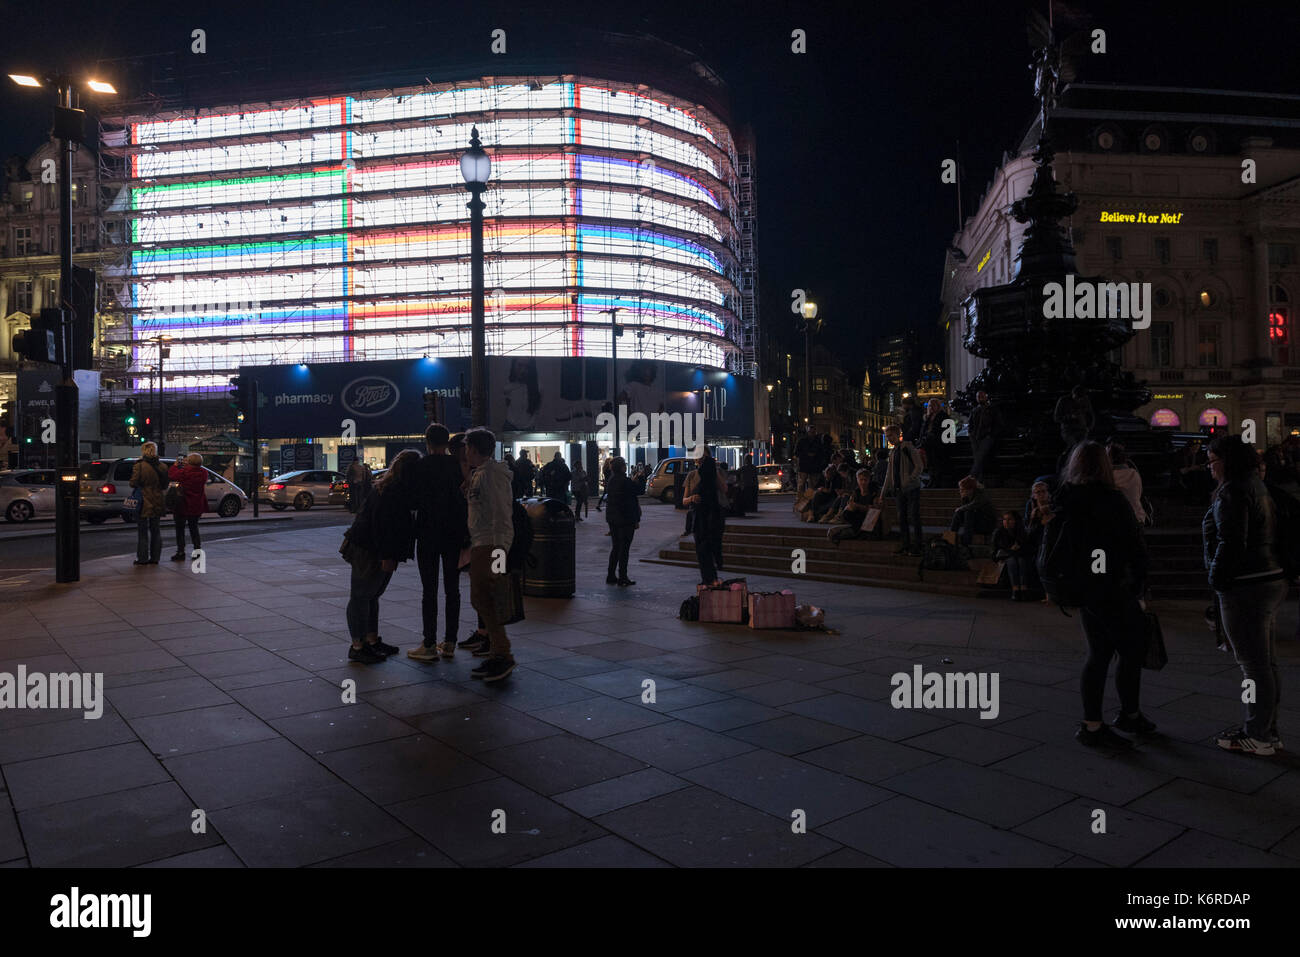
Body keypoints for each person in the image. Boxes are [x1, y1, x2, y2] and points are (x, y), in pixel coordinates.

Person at [1052, 442, 1151, 750]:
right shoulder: (1112, 500)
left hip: (1084, 588)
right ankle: (1126, 714)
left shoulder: (1066, 498)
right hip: (1112, 587)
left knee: (1098, 655)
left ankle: (1093, 723)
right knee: (1131, 651)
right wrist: (1138, 582)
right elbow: (1134, 546)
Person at [1203, 434, 1288, 755]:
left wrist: (1217, 578)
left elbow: (1231, 541)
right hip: (1268, 578)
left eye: (1213, 461)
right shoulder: (1256, 485)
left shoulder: (1232, 492)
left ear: (1228, 461)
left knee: (1252, 666)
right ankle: (1268, 730)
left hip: (1245, 583)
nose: (1209, 467)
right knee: (1266, 662)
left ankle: (1256, 733)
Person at [343, 450, 419, 664]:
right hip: (368, 550)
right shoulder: (392, 491)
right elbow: (382, 526)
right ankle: (358, 645)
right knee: (361, 596)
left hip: (371, 547)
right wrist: (387, 555)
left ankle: (370, 640)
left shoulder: (392, 488)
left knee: (370, 595)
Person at [408, 424, 470, 663]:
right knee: (452, 589)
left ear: (428, 442)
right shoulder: (457, 466)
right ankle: (451, 641)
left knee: (429, 590)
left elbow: (412, 500)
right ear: (447, 443)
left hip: (427, 533)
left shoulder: (419, 467)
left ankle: (429, 643)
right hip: (453, 533)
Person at [464, 428, 517, 682]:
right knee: (482, 598)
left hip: (492, 545)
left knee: (487, 597)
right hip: (483, 543)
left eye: (467, 448)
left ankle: (503, 655)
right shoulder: (481, 474)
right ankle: (498, 651)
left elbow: (498, 512)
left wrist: (498, 551)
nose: (465, 453)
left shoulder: (491, 475)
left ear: (474, 449)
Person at [877, 424, 924, 556]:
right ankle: (906, 544)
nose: (889, 439)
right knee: (902, 518)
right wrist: (882, 494)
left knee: (914, 517)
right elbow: (888, 474)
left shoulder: (907, 448)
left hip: (911, 488)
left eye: (891, 435)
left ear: (898, 435)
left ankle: (918, 545)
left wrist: (909, 479)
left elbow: (919, 466)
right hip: (899, 490)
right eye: (887, 437)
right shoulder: (892, 452)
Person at [684, 449, 727, 585]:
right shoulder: (691, 475)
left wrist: (714, 470)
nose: (701, 459)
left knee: (710, 547)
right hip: (698, 516)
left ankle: (712, 576)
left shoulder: (714, 472)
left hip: (712, 515)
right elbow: (683, 500)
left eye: (704, 456)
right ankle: (708, 578)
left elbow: (724, 489)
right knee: (702, 550)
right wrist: (692, 498)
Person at [604, 456, 641, 586]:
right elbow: (635, 493)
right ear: (622, 467)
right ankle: (623, 576)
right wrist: (636, 481)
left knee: (616, 547)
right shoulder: (624, 481)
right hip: (625, 519)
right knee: (624, 548)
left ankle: (611, 574)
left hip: (613, 518)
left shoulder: (612, 480)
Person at [130, 443, 169, 565]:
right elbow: (165, 485)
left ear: (143, 451)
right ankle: (155, 558)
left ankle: (142, 558)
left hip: (144, 500)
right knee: (155, 530)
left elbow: (133, 482)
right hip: (157, 499)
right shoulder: (162, 466)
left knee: (142, 531)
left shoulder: (139, 465)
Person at [168, 452, 208, 561]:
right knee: (194, 528)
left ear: (189, 462)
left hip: (183, 503)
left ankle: (181, 552)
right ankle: (197, 551)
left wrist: (176, 465)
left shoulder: (185, 471)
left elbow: (172, 475)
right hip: (197, 504)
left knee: (180, 529)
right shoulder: (204, 472)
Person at [992, 511, 1032, 601]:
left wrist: (1015, 549)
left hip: (1019, 555)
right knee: (1012, 562)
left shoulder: (1021, 531)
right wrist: (1011, 550)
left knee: (1021, 561)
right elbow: (997, 548)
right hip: (1005, 556)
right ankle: (1015, 590)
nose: (1006, 522)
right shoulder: (999, 532)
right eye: (1004, 519)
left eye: (1010, 519)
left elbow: (1026, 547)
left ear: (1015, 521)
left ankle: (1024, 589)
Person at [830, 469, 876, 545]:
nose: (863, 482)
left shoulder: (873, 492)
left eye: (865, 480)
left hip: (869, 519)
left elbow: (874, 510)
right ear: (857, 480)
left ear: (869, 480)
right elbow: (851, 504)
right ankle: (860, 532)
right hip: (858, 519)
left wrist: (858, 506)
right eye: (861, 480)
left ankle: (860, 532)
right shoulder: (856, 492)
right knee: (847, 512)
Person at [1108, 441, 1146, 525]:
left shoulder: (1108, 477)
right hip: (1137, 517)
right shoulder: (1134, 474)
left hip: (1117, 520)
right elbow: (1139, 493)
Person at [968, 391, 1002, 482]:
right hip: (975, 438)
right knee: (978, 458)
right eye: (978, 396)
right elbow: (970, 424)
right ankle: (978, 480)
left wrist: (991, 435)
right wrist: (971, 435)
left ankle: (971, 478)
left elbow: (997, 423)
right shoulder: (975, 410)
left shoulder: (992, 409)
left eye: (982, 396)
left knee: (979, 456)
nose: (980, 398)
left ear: (986, 397)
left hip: (987, 437)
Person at [1054, 385, 1095, 450]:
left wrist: (1089, 427)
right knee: (1074, 447)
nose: (1078, 400)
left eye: (1081, 398)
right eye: (1077, 397)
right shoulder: (1063, 401)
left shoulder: (1085, 400)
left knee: (1083, 448)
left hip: (1082, 430)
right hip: (1068, 430)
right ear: (1072, 394)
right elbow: (1056, 418)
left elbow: (1091, 415)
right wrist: (1070, 416)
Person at [794, 427, 822, 494]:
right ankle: (801, 499)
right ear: (808, 432)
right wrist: (806, 454)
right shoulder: (802, 441)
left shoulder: (818, 441)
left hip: (813, 466)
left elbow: (821, 452)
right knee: (802, 484)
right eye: (811, 432)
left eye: (813, 432)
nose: (812, 434)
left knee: (812, 485)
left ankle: (810, 500)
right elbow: (796, 453)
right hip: (804, 465)